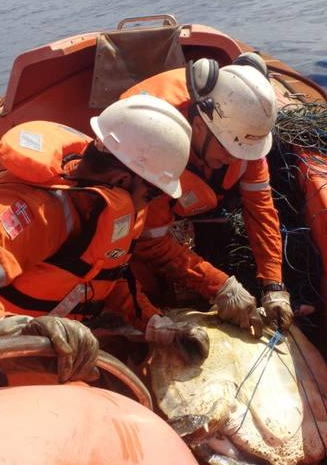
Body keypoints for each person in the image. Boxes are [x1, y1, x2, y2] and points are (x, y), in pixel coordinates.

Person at [0, 95, 208, 398]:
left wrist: (153, 322)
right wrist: (9, 330)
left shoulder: (106, 210)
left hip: (43, 355)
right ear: (122, 179)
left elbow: (103, 277)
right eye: (153, 194)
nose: (151, 205)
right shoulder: (32, 208)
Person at [120, 53, 293, 338]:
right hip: (145, 211)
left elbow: (261, 210)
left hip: (195, 196)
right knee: (151, 290)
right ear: (199, 127)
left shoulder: (242, 139)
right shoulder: (153, 143)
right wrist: (220, 286)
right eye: (229, 151)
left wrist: (274, 285)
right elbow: (150, 241)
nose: (235, 160)